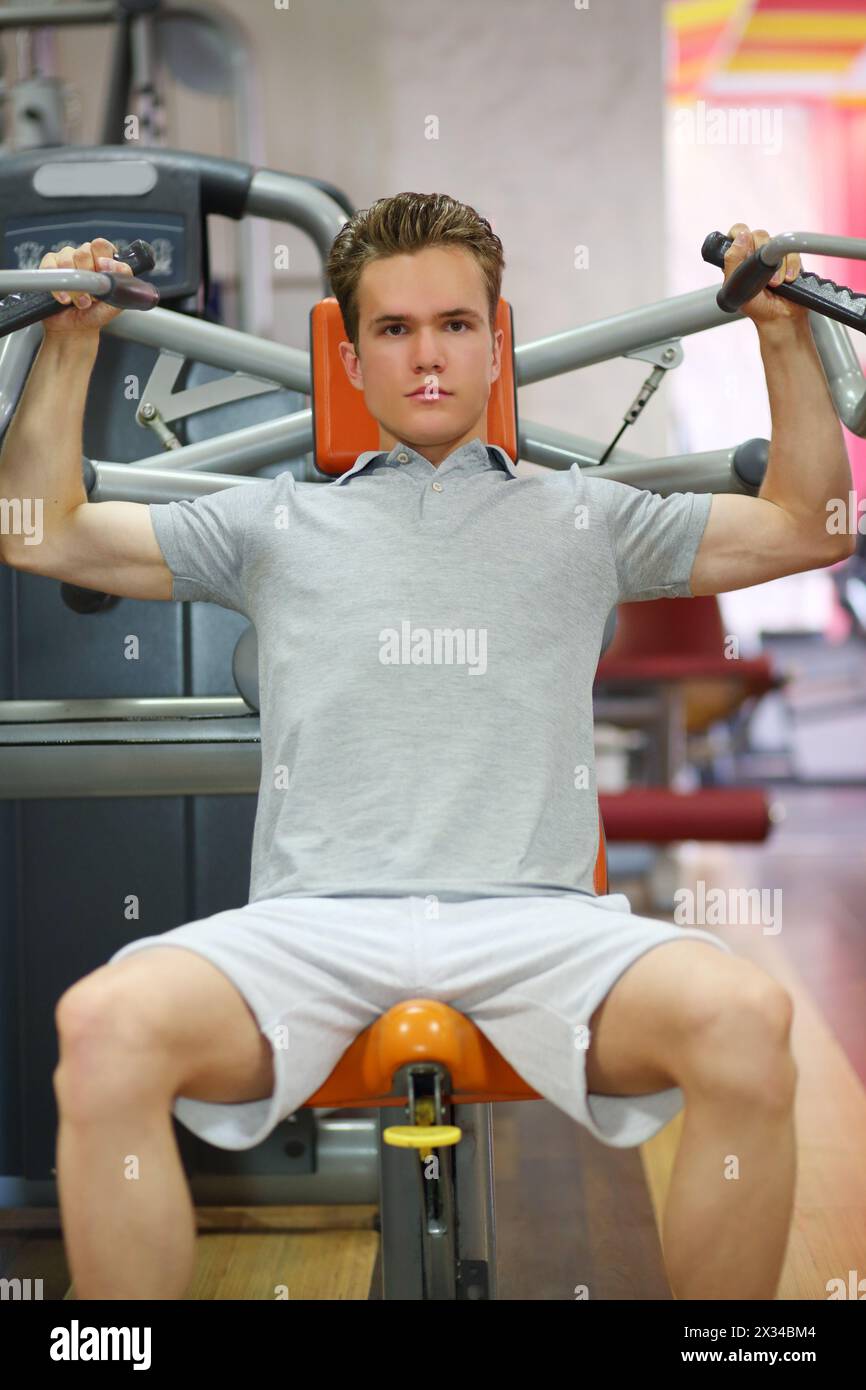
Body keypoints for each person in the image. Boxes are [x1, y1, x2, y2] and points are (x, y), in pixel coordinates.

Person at [0, 199, 854, 1301]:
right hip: (313, 925)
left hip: (538, 921)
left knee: (746, 1018)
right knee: (103, 1022)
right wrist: (68, 343)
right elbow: (39, 528)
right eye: (394, 331)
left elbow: (808, 522)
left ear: (495, 344)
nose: (428, 355)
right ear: (349, 359)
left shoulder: (587, 518)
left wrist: (781, 330)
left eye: (453, 323)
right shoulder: (266, 524)